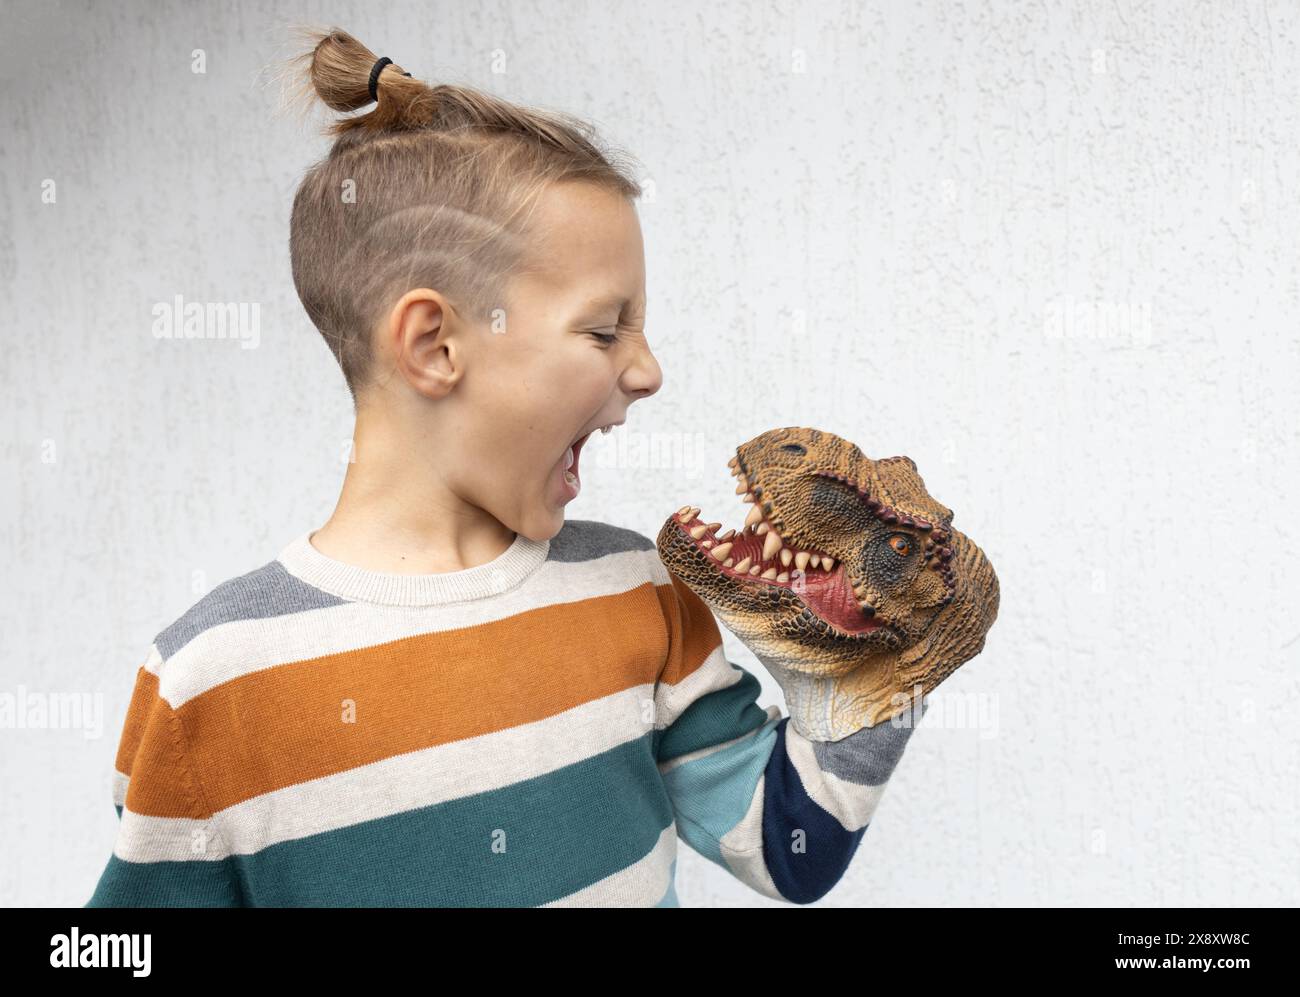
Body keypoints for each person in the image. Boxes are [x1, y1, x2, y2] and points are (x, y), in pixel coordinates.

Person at [86, 26, 923, 907]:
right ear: (436, 343)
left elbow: (790, 848)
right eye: (605, 329)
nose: (648, 370)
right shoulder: (214, 683)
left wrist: (890, 655)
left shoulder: (636, 589)